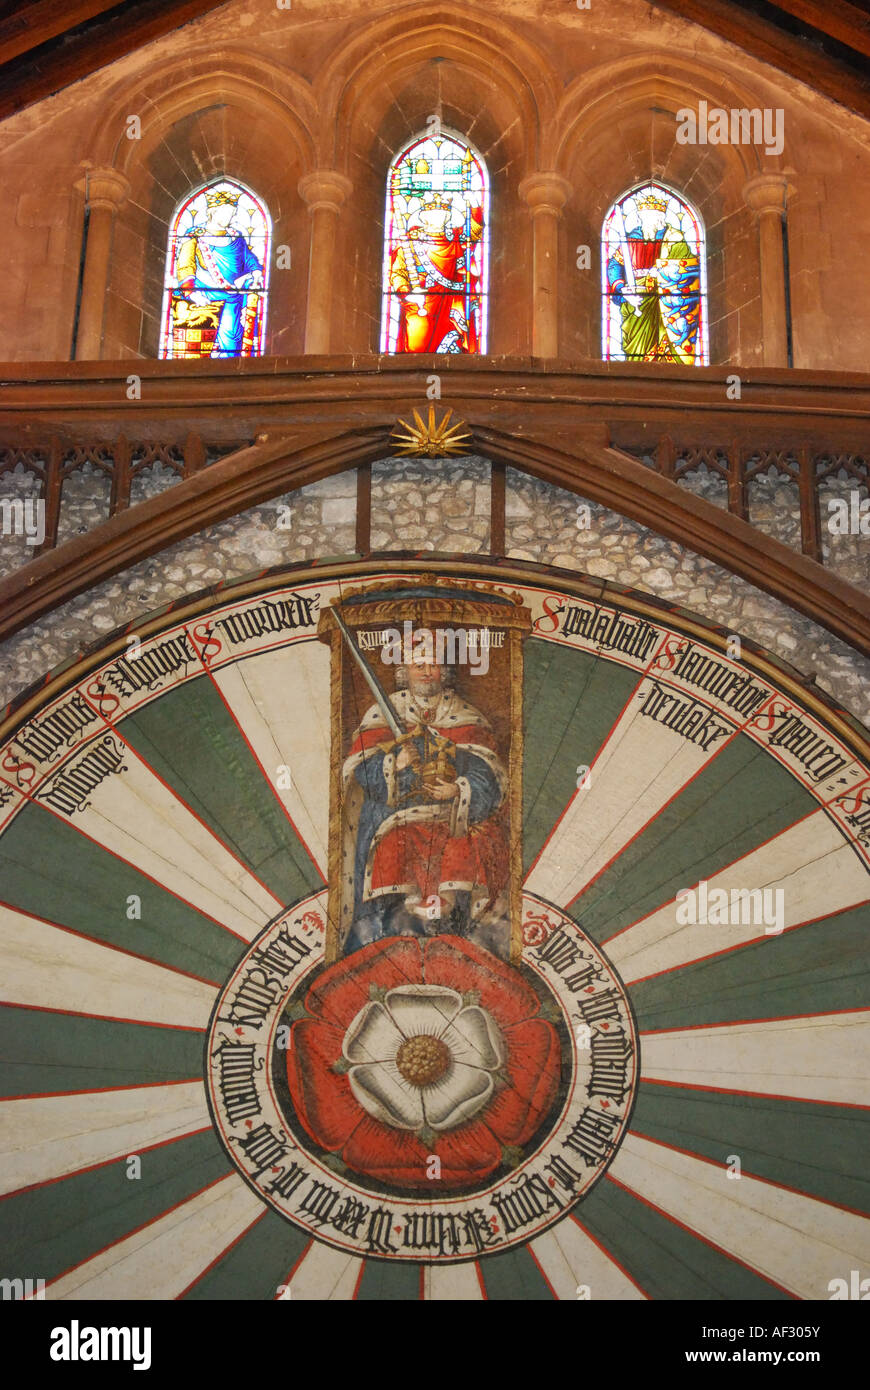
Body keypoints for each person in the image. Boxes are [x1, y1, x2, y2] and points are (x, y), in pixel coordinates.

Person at [341, 654, 509, 955]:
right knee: (391, 847)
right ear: (405, 672)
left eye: (433, 666)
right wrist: (394, 763)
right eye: (420, 666)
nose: (427, 672)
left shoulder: (464, 714)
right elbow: (363, 773)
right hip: (395, 816)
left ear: (443, 672)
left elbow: (486, 775)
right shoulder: (384, 712)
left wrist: (457, 789)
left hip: (451, 817)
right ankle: (387, 942)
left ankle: (456, 943)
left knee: (468, 848)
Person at [387, 190, 483, 353]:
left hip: (451, 302)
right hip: (419, 304)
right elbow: (397, 273)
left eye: (442, 215)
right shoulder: (410, 242)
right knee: (416, 348)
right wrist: (407, 293)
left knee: (452, 349)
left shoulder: (457, 238)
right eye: (432, 216)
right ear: (424, 218)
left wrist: (473, 204)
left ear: (448, 218)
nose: (437, 219)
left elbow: (474, 231)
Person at [172, 189, 264, 357]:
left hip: (233, 299)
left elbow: (249, 259)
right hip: (204, 295)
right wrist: (192, 294)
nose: (229, 217)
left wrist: (255, 272)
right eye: (226, 212)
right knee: (199, 347)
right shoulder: (195, 235)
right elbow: (185, 266)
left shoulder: (237, 237)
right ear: (213, 212)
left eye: (232, 213)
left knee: (231, 342)